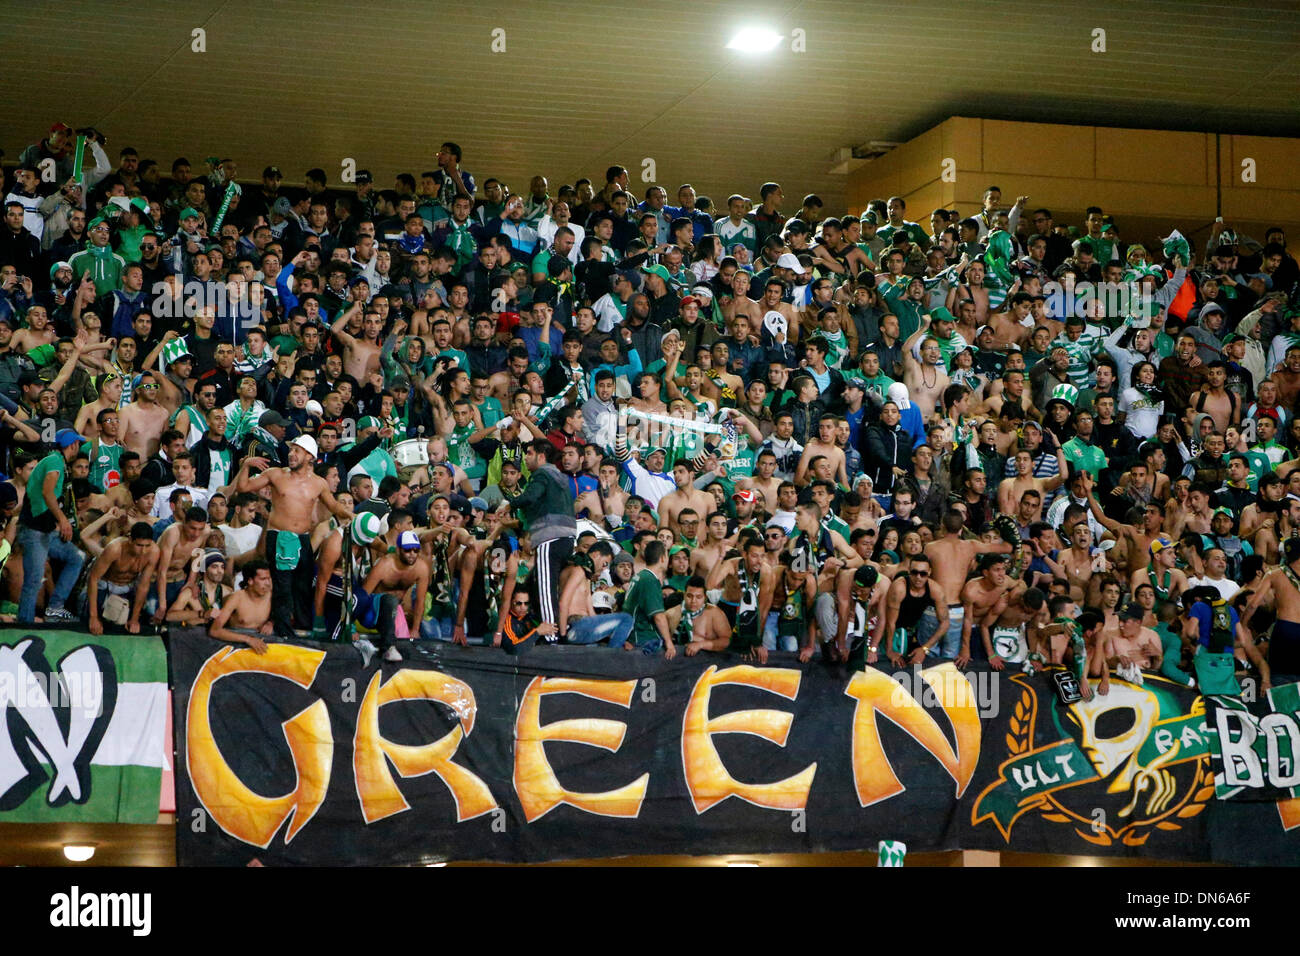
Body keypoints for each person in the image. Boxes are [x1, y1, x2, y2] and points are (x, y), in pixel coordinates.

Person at [234, 434, 350, 637]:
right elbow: (243, 488)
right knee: (283, 588)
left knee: (303, 586)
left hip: (303, 539)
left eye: (297, 450)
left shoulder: (319, 483)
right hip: (279, 537)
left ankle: (303, 630)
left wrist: (353, 516)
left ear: (309, 456)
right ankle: (284, 633)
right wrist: (246, 466)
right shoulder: (276, 474)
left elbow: (333, 506)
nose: (291, 454)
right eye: (291, 449)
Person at [16, 428, 87, 623]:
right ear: (72, 445)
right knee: (34, 580)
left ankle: (55, 607)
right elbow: (48, 493)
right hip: (33, 530)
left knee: (76, 557)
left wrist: (56, 522)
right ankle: (24, 625)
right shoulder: (55, 461)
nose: (78, 447)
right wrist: (63, 520)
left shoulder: (57, 462)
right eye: (77, 444)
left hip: (45, 530)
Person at [506, 440, 576, 630]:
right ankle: (555, 630)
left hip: (550, 537)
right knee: (543, 584)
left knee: (546, 589)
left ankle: (550, 634)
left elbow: (530, 496)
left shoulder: (542, 473)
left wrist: (509, 504)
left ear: (541, 456)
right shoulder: (559, 476)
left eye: (529, 453)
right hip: (567, 537)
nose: (526, 458)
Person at [85, 521, 158, 635]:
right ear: (130, 540)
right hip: (105, 585)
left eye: (147, 545)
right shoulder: (115, 548)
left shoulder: (153, 552)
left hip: (128, 587)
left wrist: (134, 619)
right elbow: (93, 578)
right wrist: (93, 617)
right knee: (92, 625)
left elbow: (143, 586)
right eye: (139, 545)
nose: (143, 551)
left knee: (123, 626)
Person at [207, 559, 274, 654]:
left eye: (269, 578)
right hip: (236, 647)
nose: (268, 583)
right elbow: (214, 631)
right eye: (263, 579)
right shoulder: (236, 599)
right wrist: (249, 640)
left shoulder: (271, 595)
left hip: (261, 646)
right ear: (250, 581)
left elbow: (288, 616)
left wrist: (271, 623)